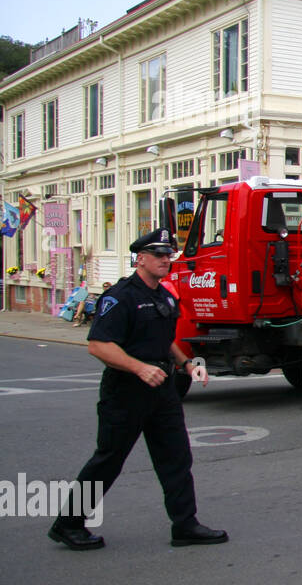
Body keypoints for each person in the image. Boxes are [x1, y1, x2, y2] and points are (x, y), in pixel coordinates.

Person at [48, 228, 228, 550]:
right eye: (158, 255)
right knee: (108, 461)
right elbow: (99, 346)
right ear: (140, 258)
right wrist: (139, 368)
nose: (165, 260)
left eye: (168, 255)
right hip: (126, 392)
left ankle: (185, 526)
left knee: (176, 458)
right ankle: (69, 524)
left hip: (162, 392)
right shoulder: (120, 297)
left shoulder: (163, 295)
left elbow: (164, 341)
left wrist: (186, 364)